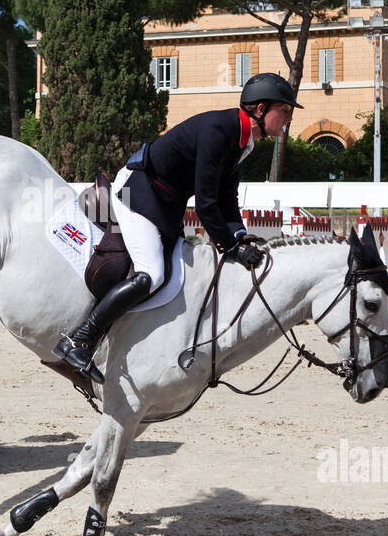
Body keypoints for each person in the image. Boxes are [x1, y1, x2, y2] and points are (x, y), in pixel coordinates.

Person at [52, 72, 300, 383]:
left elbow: (227, 198)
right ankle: (80, 339)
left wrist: (240, 235)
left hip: (164, 203)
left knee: (179, 273)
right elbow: (207, 204)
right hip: (138, 192)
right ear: (261, 109)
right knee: (151, 274)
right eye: (285, 110)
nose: (287, 119)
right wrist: (231, 248)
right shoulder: (220, 131)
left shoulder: (242, 139)